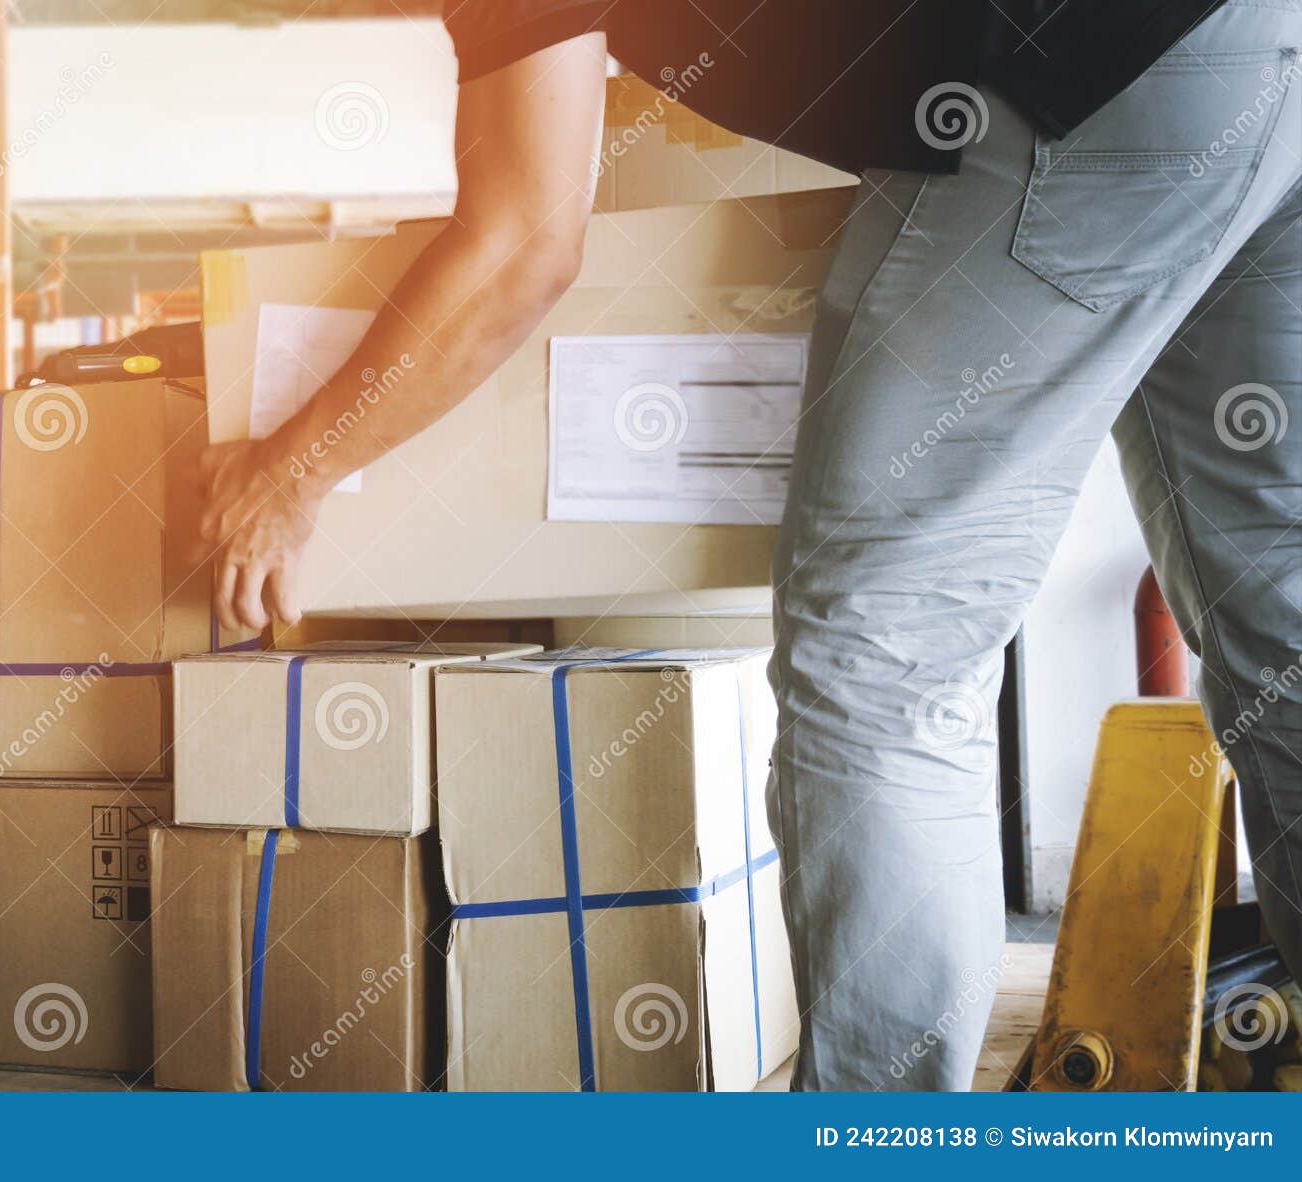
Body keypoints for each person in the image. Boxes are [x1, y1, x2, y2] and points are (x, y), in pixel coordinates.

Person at [198, 1, 1301, 1090]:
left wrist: (292, 470)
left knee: (883, 664)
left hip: (1098, 73)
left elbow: (522, 244)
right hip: (1268, 55)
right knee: (1279, 618)